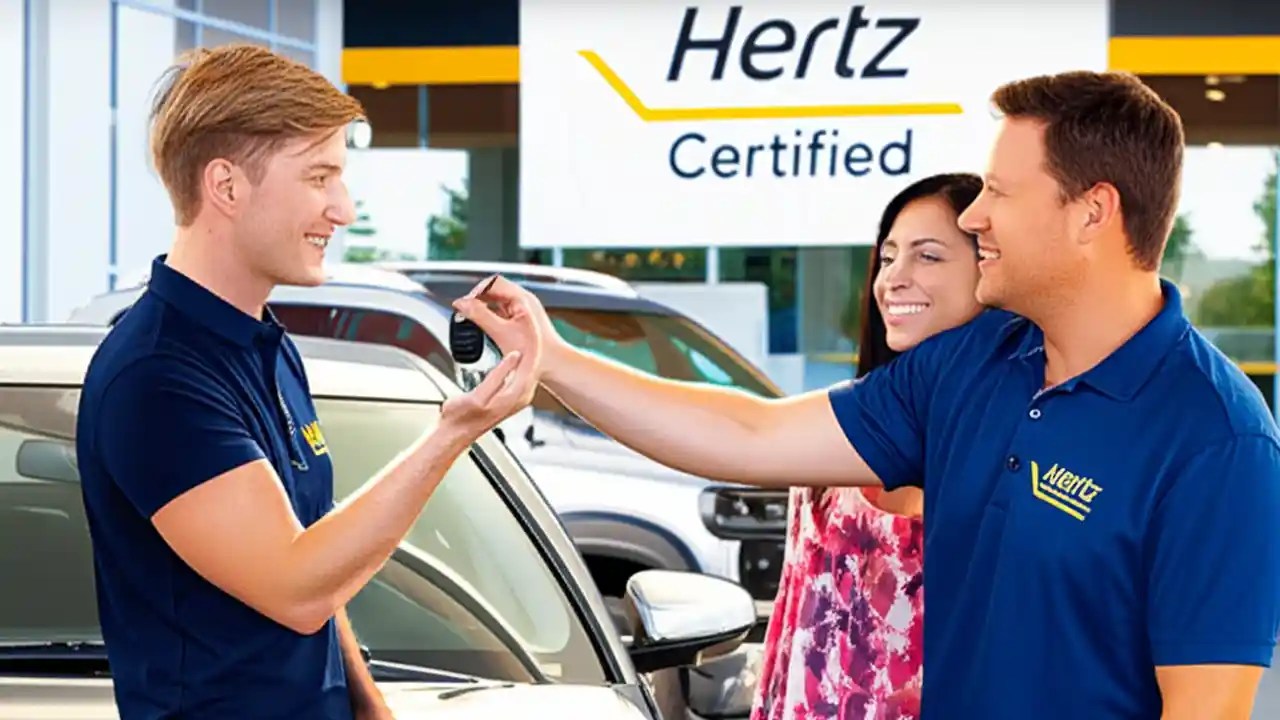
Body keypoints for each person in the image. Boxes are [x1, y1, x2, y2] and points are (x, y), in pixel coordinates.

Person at [456, 70, 1280, 719]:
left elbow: (1205, 707)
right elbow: (749, 435)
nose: (978, 216)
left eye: (1000, 191)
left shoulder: (1217, 440)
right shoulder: (975, 361)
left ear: (1093, 212)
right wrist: (555, 359)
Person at [76, 46, 537, 719]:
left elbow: (318, 554)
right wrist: (454, 432)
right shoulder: (157, 378)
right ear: (227, 187)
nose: (343, 209)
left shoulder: (264, 345)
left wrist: (371, 708)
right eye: (320, 177)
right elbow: (296, 588)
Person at [751, 172, 984, 720]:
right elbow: (789, 639)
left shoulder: (1020, 452)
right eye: (887, 258)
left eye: (928, 257)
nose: (893, 280)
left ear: (992, 269)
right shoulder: (829, 450)